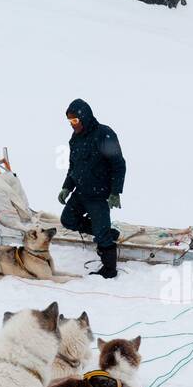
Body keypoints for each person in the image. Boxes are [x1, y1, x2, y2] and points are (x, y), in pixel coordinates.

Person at [58, 98, 125, 279]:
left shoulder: (104, 134)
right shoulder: (75, 139)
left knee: (102, 237)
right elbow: (73, 167)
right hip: (80, 192)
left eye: (75, 120)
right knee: (67, 220)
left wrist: (115, 192)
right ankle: (106, 232)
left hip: (98, 194)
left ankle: (109, 270)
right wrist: (66, 187)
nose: (72, 125)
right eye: (69, 121)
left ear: (84, 117)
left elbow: (119, 164)